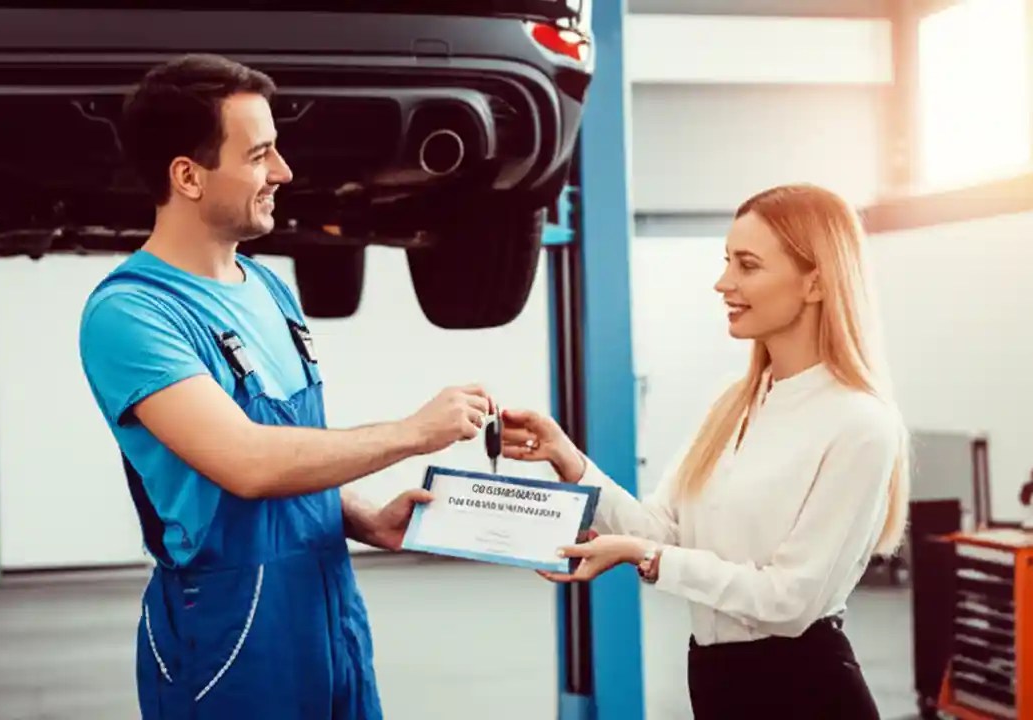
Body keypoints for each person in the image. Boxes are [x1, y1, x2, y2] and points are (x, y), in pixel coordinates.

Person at [77, 54, 493, 719]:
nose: (284, 172)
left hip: (326, 608)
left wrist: (359, 515)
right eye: (260, 154)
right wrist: (415, 432)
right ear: (187, 175)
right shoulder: (133, 314)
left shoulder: (268, 289)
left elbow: (295, 449)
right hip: (231, 635)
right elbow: (246, 462)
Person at [501, 183, 908, 719]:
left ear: (815, 281)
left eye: (748, 265)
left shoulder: (859, 424)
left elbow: (788, 603)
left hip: (803, 690)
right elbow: (662, 531)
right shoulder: (734, 404)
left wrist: (644, 557)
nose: (723, 283)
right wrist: (568, 459)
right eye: (726, 262)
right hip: (718, 681)